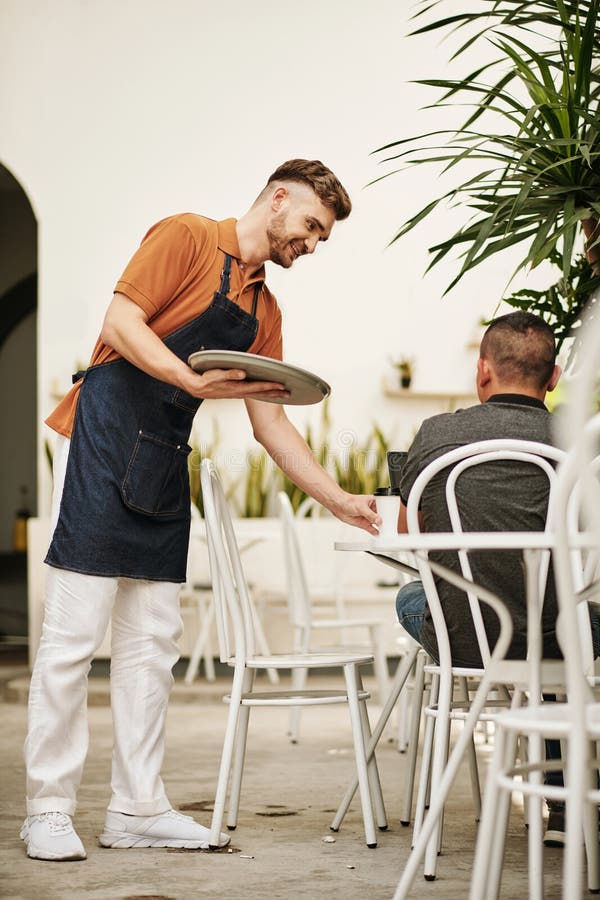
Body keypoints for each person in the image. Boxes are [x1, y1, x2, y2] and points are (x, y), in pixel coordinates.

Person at [21, 159, 381, 862]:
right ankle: (49, 806)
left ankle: (137, 806)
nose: (309, 244)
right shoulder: (186, 236)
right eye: (309, 225)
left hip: (162, 455)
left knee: (153, 643)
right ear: (278, 198)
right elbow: (120, 323)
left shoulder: (264, 311)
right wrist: (188, 378)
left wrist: (339, 499)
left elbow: (272, 425)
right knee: (72, 636)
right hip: (103, 435)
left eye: (321, 238)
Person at [393, 311, 599, 847]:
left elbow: (408, 530)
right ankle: (567, 804)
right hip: (564, 637)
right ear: (553, 378)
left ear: (482, 371)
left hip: (465, 634)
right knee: (565, 613)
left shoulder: (438, 433)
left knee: (415, 597)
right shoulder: (579, 443)